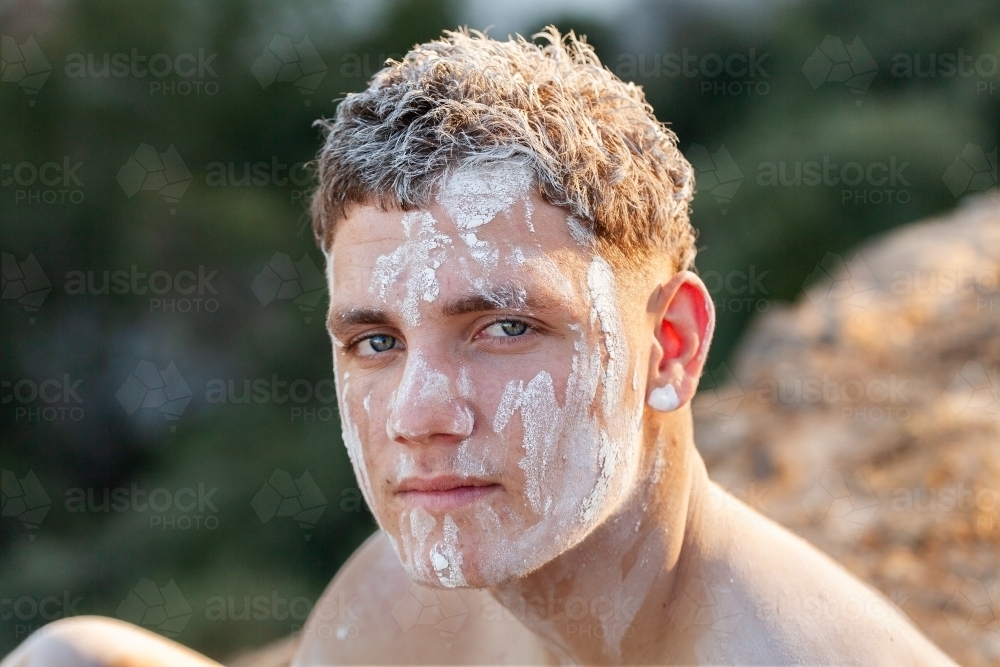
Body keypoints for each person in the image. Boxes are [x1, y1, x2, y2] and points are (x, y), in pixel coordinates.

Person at [3, 28, 957, 667]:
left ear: (668, 347)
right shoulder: (400, 608)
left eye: (504, 328)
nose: (418, 416)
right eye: (376, 339)